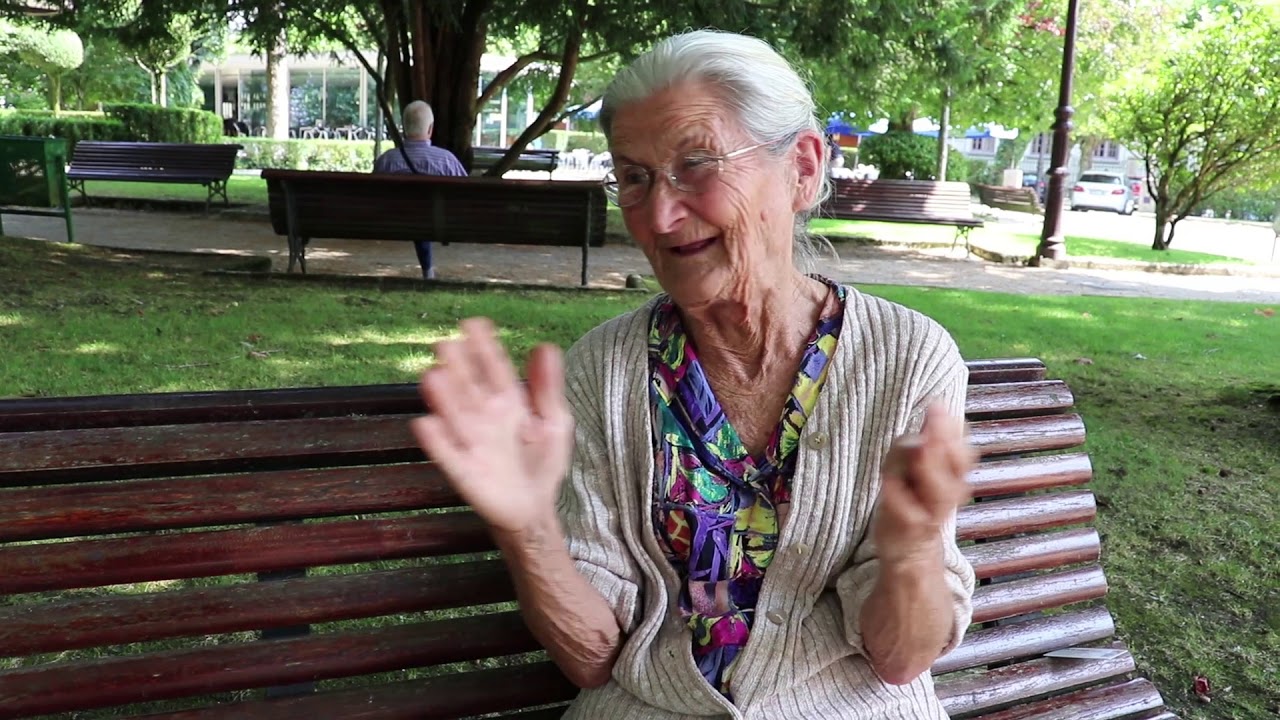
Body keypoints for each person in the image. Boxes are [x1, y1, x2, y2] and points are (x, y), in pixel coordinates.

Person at [411, 30, 976, 720]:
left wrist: (913, 548)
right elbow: (593, 658)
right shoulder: (603, 370)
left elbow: (901, 658)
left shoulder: (908, 357)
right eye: (634, 177)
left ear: (801, 167)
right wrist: (526, 527)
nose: (659, 215)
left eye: (696, 164)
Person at [372, 100, 466, 279]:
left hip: (391, 222)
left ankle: (427, 270)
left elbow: (371, 196)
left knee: (416, 215)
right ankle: (428, 272)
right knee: (424, 215)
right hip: (437, 223)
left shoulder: (386, 161)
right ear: (430, 128)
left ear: (404, 128)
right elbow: (467, 195)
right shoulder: (447, 160)